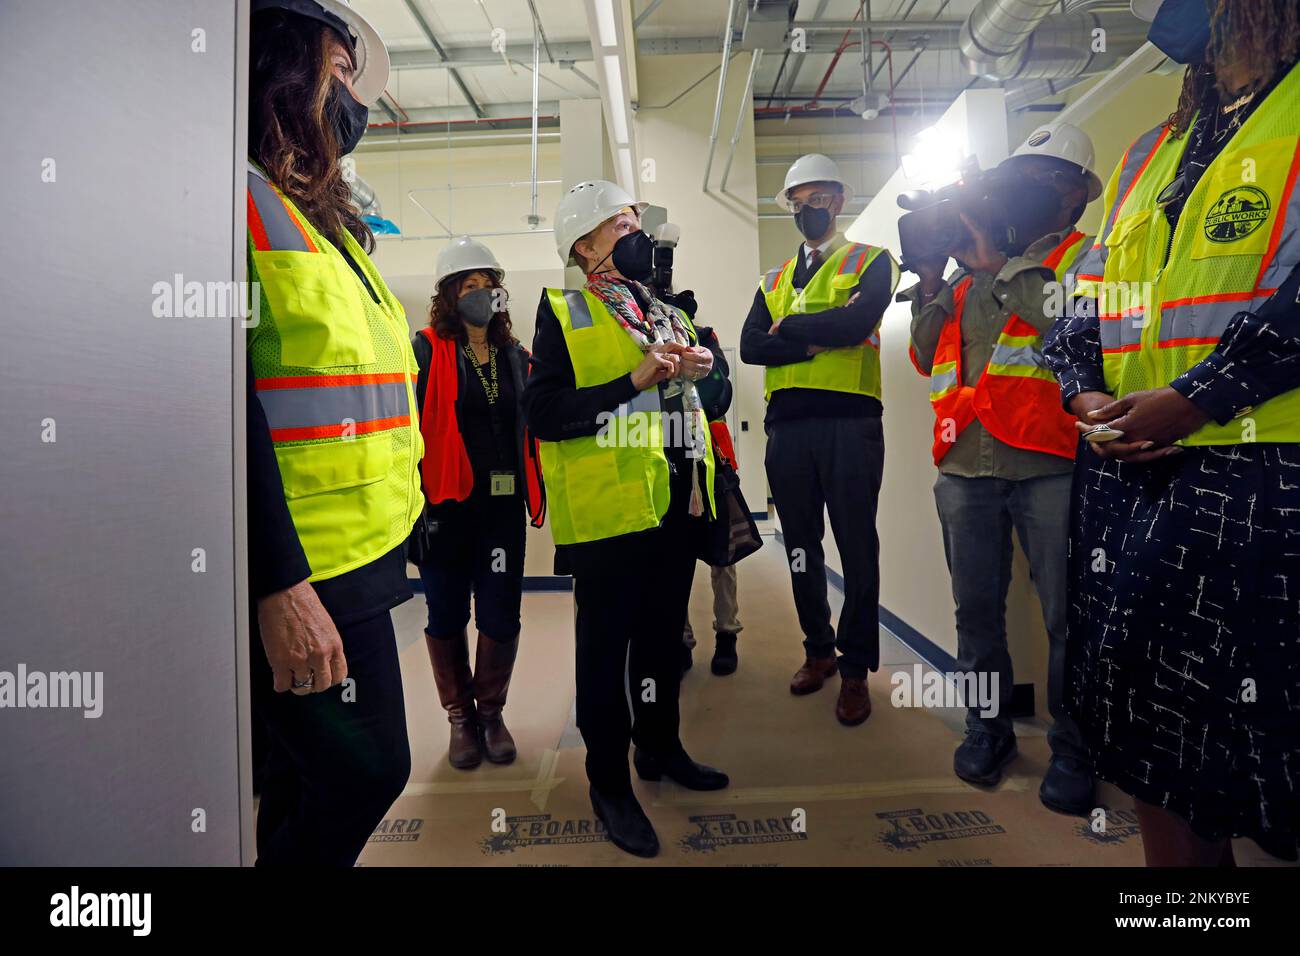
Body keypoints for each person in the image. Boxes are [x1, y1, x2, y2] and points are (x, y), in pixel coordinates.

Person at [1044, 0, 1300, 864]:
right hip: (1130, 481)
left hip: (1263, 479)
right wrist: (1082, 394)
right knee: (1153, 733)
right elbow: (1083, 302)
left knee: (1266, 739)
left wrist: (1198, 396)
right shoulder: (1150, 152)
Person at [244, 0, 419, 866]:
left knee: (294, 776)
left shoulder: (317, 220)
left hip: (357, 558)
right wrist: (277, 585)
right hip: (305, 568)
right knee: (368, 771)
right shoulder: (233, 201)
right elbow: (221, 409)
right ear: (284, 64)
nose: (354, 103)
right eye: (341, 74)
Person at [523, 180, 729, 858]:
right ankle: (608, 782)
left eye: (638, 220)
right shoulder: (564, 311)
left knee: (663, 640)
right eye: (621, 223)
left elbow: (717, 399)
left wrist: (703, 367)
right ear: (585, 247)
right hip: (610, 512)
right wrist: (631, 383)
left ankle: (660, 749)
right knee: (605, 653)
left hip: (674, 498)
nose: (637, 230)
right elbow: (546, 415)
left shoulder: (665, 310)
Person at [901, 123, 1100, 812]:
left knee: (1067, 615)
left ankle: (1075, 748)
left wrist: (996, 268)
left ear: (1074, 196)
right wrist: (935, 278)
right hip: (965, 461)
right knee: (975, 611)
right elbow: (928, 355)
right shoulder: (967, 273)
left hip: (1051, 459)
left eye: (1040, 179)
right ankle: (988, 730)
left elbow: (1071, 328)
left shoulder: (1085, 258)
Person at [740, 154, 899, 726]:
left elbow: (856, 327)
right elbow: (752, 347)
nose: (810, 207)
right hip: (787, 430)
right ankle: (818, 651)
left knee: (856, 548)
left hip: (850, 425)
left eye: (820, 197)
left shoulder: (872, 261)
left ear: (839, 199)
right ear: (790, 207)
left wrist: (793, 330)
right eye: (799, 199)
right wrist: (815, 336)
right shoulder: (774, 278)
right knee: (801, 548)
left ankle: (856, 671)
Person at [410, 237, 545, 770]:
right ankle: (460, 719)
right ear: (448, 294)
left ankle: (491, 713)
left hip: (501, 512)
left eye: (490, 287)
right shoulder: (424, 350)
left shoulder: (516, 356)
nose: (482, 295)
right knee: (445, 612)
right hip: (445, 508)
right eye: (470, 287)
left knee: (500, 613)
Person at [680, 324, 743, 676]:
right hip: (670, 458)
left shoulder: (702, 333)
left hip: (713, 459)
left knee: (724, 555)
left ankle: (727, 634)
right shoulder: (641, 335)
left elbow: (720, 380)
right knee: (676, 559)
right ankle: (682, 638)